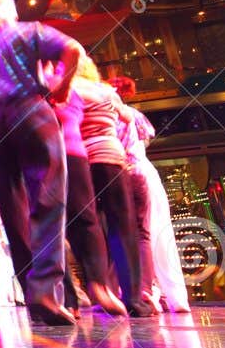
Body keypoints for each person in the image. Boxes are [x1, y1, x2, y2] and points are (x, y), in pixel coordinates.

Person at [0, 0, 81, 326]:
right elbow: (73, 49)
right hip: (29, 109)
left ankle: (35, 293)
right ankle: (47, 291)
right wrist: (63, 87)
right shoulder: (30, 31)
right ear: (10, 13)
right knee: (48, 198)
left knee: (13, 210)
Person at [70, 54, 156, 318]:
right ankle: (133, 298)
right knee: (124, 227)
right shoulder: (104, 91)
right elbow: (128, 118)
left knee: (92, 227)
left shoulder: (68, 91)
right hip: (111, 159)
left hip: (81, 162)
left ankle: (101, 288)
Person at [49, 71, 126, 318]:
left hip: (71, 151)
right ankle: (68, 296)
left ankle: (99, 285)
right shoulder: (31, 80)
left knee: (86, 218)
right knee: (54, 227)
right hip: (44, 156)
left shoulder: (73, 85)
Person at [117, 97, 191, 313]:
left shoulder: (109, 113)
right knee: (159, 233)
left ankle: (144, 292)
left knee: (131, 237)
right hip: (145, 171)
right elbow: (146, 140)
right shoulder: (134, 114)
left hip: (123, 172)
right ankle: (175, 297)